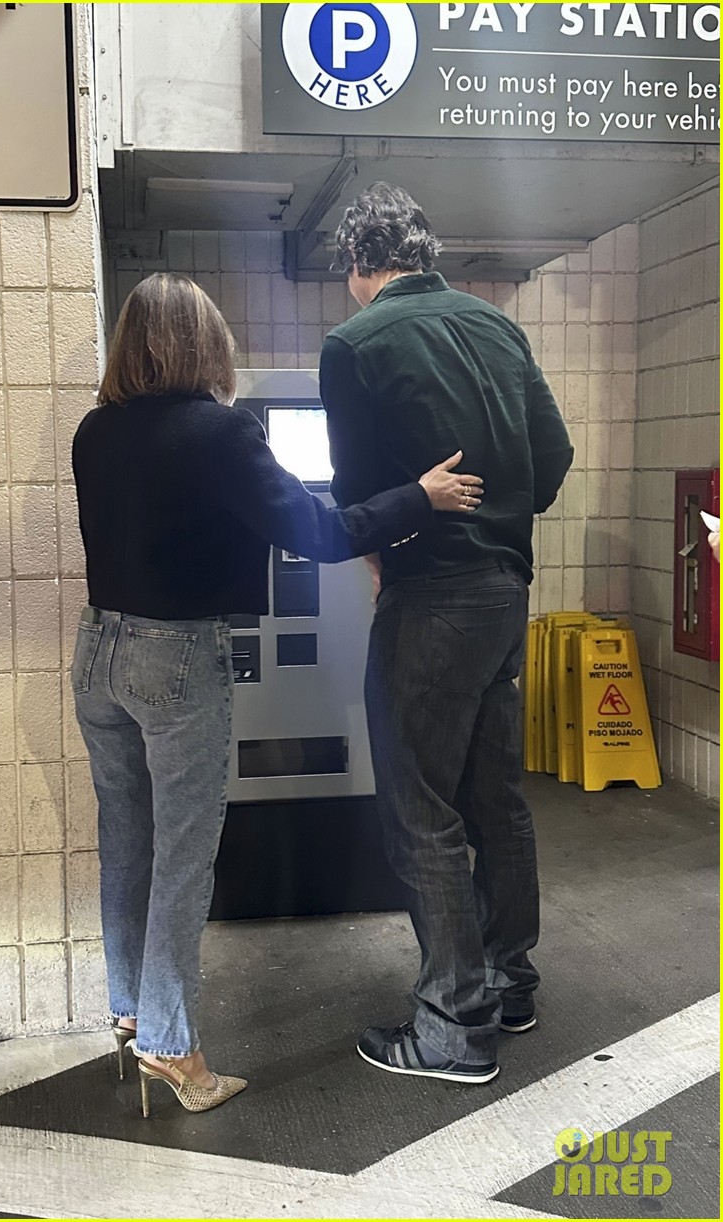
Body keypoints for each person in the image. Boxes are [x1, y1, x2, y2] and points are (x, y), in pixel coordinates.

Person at [70, 272, 484, 1115]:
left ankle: (130, 1009)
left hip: (98, 652)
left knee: (127, 838)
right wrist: (420, 498)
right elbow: (318, 532)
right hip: (176, 656)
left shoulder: (94, 429)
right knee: (184, 857)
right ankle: (172, 1046)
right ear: (203, 343)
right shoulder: (222, 433)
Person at [320, 183, 574, 1085]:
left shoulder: (354, 344)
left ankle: (450, 1028)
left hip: (430, 599)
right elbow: (554, 457)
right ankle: (509, 984)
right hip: (507, 591)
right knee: (494, 796)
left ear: (358, 263)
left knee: (419, 808)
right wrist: (504, 513)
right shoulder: (497, 327)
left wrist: (394, 543)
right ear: (422, 252)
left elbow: (353, 492)